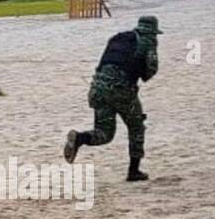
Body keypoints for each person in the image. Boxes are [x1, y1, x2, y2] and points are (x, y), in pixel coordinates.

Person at [63, 16, 161, 182]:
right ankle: (134, 171)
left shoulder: (118, 38)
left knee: (104, 133)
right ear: (152, 31)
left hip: (98, 88)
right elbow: (151, 69)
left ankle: (80, 138)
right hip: (121, 90)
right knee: (136, 127)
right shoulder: (148, 42)